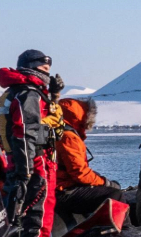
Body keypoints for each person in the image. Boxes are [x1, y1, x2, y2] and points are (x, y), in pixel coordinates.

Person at [0, 49, 63, 237]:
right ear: (32, 68)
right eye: (44, 69)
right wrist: (27, 169)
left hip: (26, 158)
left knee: (28, 205)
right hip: (34, 160)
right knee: (37, 205)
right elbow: (25, 131)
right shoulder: (28, 93)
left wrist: (54, 95)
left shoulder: (19, 91)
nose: (48, 74)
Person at [53, 97, 130, 230]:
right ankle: (126, 232)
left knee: (104, 188)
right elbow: (80, 174)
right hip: (64, 192)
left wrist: (100, 179)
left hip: (60, 188)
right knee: (115, 194)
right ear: (79, 116)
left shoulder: (60, 133)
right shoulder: (68, 137)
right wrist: (106, 183)